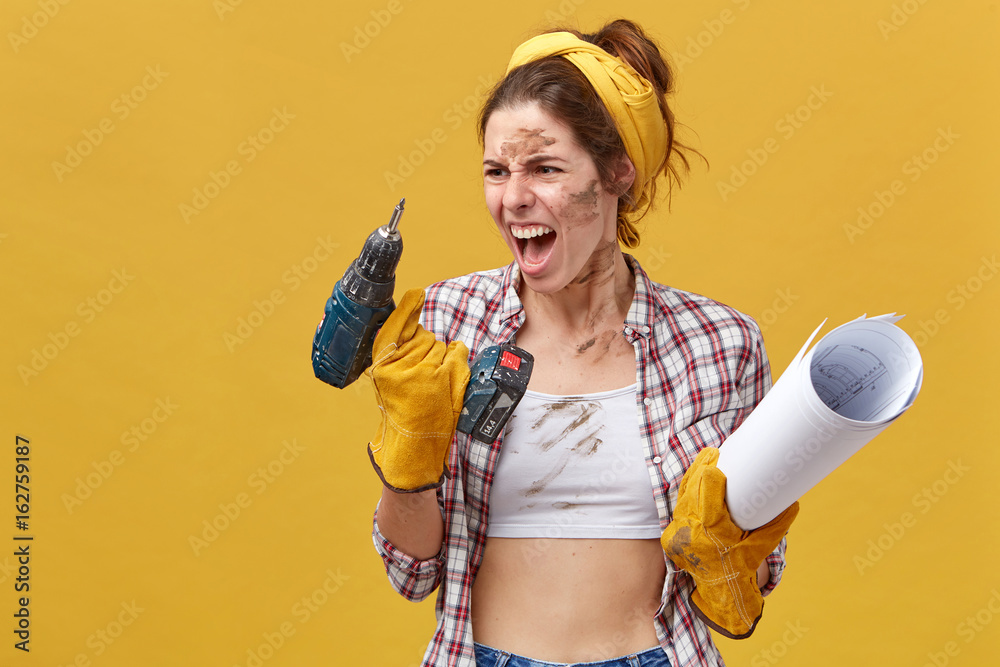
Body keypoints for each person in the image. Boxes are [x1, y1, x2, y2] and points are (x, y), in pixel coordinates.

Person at [365, 19, 798, 667]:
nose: (513, 197)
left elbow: (749, 590)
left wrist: (729, 548)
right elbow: (410, 571)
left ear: (617, 171)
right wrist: (408, 459)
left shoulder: (720, 343)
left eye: (544, 167)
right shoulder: (447, 320)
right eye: (496, 170)